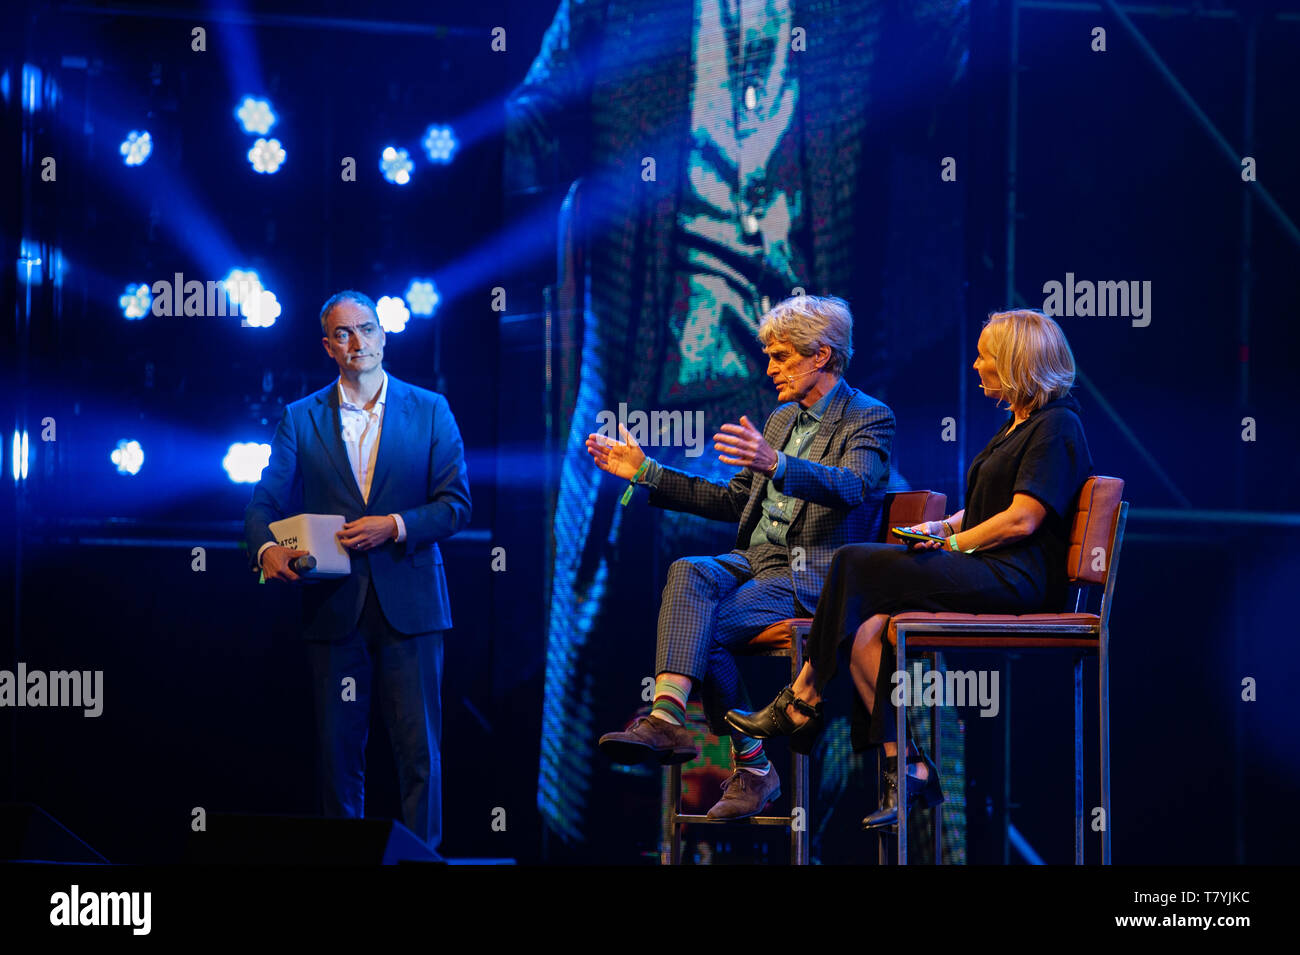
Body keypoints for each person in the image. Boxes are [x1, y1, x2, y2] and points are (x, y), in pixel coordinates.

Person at [728, 308, 1094, 829]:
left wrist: (954, 546)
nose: (975, 364)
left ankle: (805, 692)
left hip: (1018, 579)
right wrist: (942, 528)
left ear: (1015, 362)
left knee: (854, 560)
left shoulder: (1059, 424)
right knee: (865, 629)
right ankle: (912, 767)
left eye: (985, 356)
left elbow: (1023, 518)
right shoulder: (1018, 423)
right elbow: (992, 506)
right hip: (987, 565)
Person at [587, 295, 894, 819]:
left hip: (811, 573)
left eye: (781, 357)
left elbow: (856, 486)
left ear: (821, 356)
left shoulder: (867, 417)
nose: (770, 369)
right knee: (688, 572)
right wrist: (648, 474)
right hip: (755, 561)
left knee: (702, 627)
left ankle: (752, 767)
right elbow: (734, 501)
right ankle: (668, 719)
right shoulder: (779, 419)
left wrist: (777, 464)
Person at [243, 290, 471, 857]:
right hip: (334, 606)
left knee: (419, 753)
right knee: (338, 753)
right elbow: (262, 505)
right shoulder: (300, 417)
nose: (358, 342)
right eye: (344, 333)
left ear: (383, 335)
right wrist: (265, 550)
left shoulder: (431, 408)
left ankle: (421, 865)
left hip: (412, 603)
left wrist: (393, 524)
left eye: (366, 329)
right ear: (328, 346)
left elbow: (456, 505)